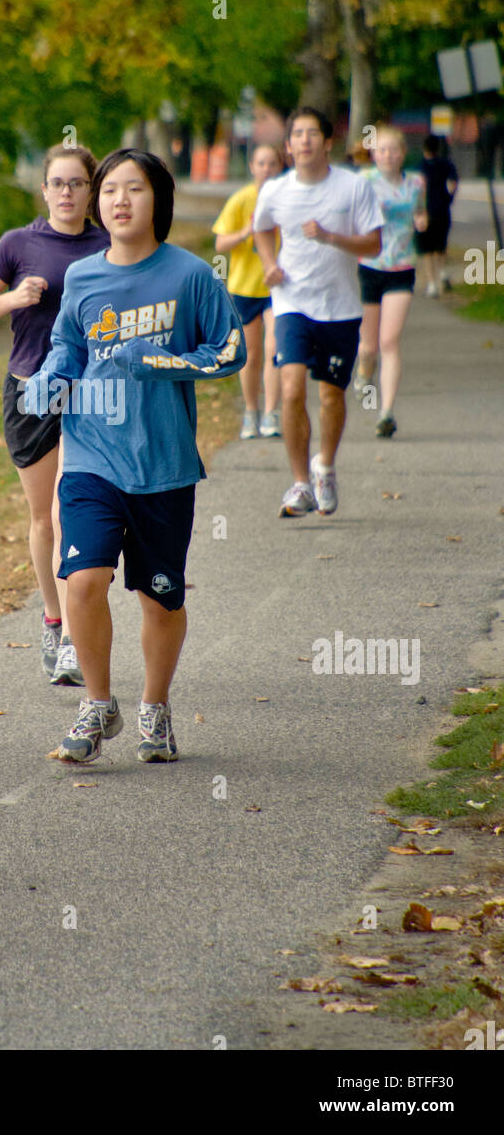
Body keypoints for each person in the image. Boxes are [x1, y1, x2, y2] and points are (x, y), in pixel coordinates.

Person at [24, 149, 245, 764]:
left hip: (164, 465)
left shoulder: (191, 276)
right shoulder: (85, 279)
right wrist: (50, 378)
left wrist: (160, 359)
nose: (120, 200)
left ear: (158, 201)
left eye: (135, 189)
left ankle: (154, 707)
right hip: (91, 454)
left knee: (161, 598)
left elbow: (230, 352)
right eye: (110, 190)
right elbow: (67, 344)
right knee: (83, 580)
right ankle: (97, 705)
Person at [0, 144, 108, 685]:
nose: (67, 193)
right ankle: (52, 614)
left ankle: (72, 638)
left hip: (89, 395)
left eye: (77, 183)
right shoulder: (18, 244)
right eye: (58, 184)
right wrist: (14, 299)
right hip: (29, 392)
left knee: (73, 508)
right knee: (43, 516)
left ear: (91, 190)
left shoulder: (108, 244)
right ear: (43, 190)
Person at [253, 107, 383, 518]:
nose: (304, 140)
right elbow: (261, 228)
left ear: (328, 142)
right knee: (291, 389)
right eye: (297, 134)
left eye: (313, 133)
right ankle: (300, 483)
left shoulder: (353, 187)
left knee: (331, 395)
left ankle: (324, 465)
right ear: (288, 146)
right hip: (292, 302)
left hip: (340, 307)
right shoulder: (276, 191)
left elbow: (374, 245)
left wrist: (330, 237)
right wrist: (269, 263)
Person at [353, 127, 427, 437]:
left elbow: (421, 213)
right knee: (369, 346)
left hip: (401, 266)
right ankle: (364, 373)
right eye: (381, 150)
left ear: (402, 153)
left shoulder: (415, 183)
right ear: (374, 154)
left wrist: (422, 221)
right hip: (370, 266)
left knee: (389, 342)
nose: (387, 155)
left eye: (393, 150)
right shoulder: (364, 181)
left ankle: (386, 412)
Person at [213, 143, 283, 438]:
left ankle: (271, 414)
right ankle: (250, 412)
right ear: (252, 167)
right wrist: (246, 232)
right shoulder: (241, 199)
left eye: (272, 164)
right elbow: (219, 245)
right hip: (244, 288)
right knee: (251, 355)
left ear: (280, 168)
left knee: (274, 351)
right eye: (261, 163)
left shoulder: (286, 198)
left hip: (278, 287)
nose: (266, 169)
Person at [417, 135, 458, 296]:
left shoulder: (420, 167)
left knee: (427, 249)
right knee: (441, 245)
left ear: (424, 148)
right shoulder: (446, 164)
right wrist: (449, 198)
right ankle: (442, 272)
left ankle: (432, 284)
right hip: (442, 209)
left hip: (425, 211)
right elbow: (454, 182)